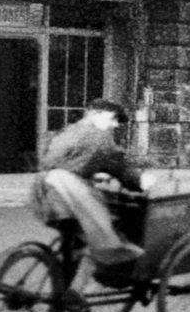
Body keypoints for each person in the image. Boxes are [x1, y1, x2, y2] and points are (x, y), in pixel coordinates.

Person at [28, 99, 146, 299]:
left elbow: (56, 160)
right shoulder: (99, 138)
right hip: (68, 192)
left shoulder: (68, 130)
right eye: (113, 119)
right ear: (95, 114)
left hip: (44, 192)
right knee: (102, 238)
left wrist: (90, 173)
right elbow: (119, 166)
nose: (115, 125)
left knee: (73, 238)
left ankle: (62, 289)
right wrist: (141, 181)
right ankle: (74, 292)